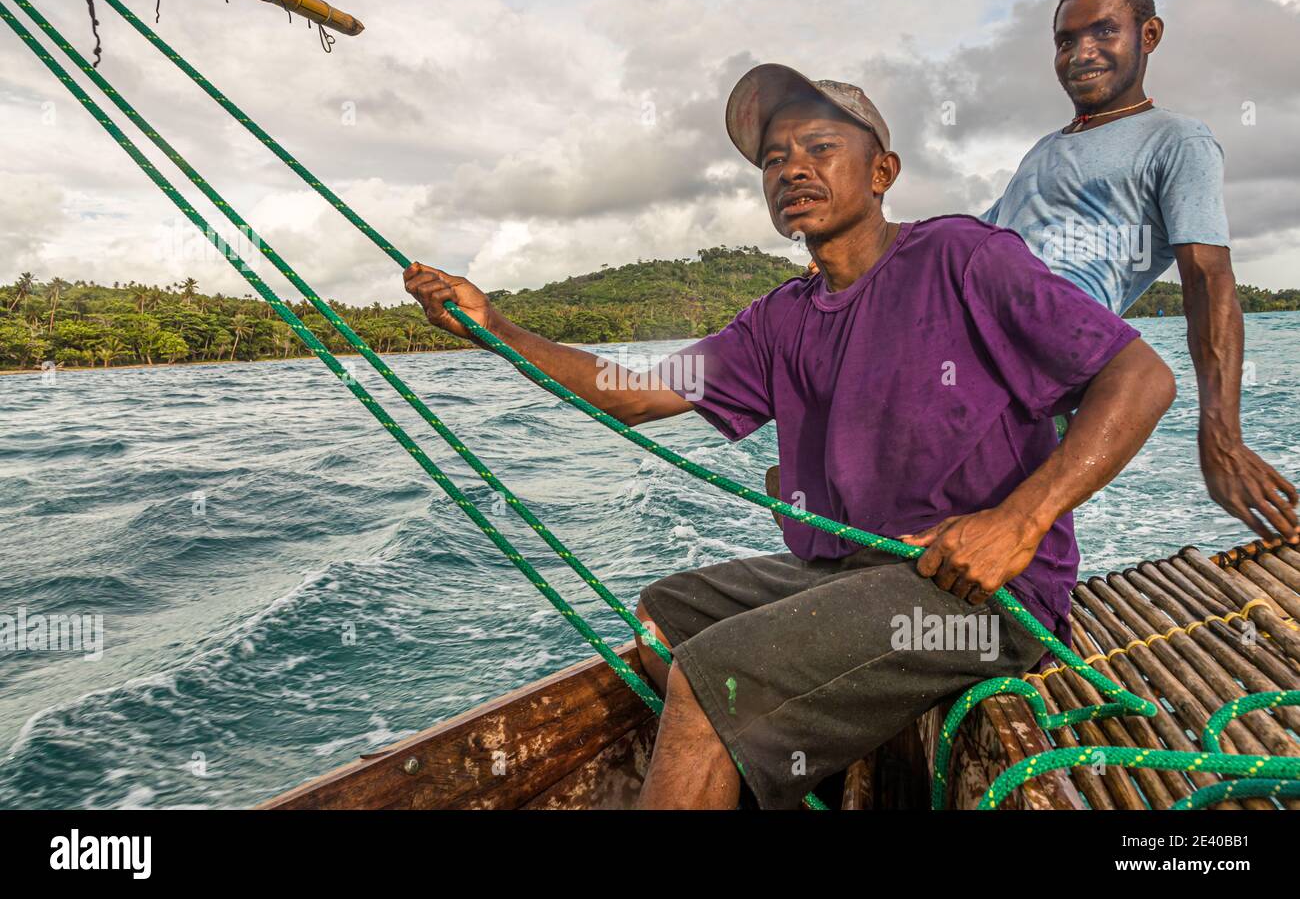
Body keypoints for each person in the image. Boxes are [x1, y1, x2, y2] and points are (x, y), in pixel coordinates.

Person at [403, 64, 1175, 809]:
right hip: (856, 574)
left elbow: (1139, 378)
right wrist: (492, 325)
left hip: (983, 593)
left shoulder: (963, 258)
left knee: (715, 676)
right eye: (775, 158)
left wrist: (1016, 523)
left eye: (820, 148)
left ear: (883, 171)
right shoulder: (780, 319)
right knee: (664, 619)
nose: (791, 169)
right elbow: (633, 396)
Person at [982, 0, 1297, 543]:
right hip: (970, 342)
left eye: (1104, 30)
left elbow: (1208, 279)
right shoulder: (1041, 151)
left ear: (1148, 35)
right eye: (1066, 40)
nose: (1082, 53)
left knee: (1005, 541)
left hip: (1044, 360)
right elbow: (981, 241)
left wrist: (1222, 434)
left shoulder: (1178, 140)